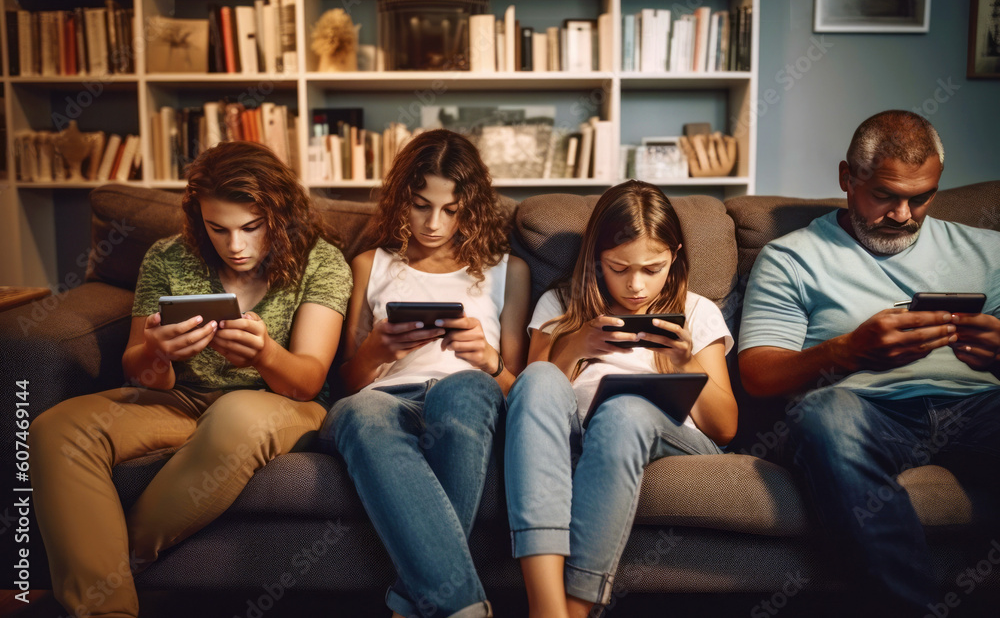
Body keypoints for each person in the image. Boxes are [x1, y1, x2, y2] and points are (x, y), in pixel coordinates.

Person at [30, 141, 352, 618]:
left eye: (251, 227)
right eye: (217, 228)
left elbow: (306, 380)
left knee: (235, 415)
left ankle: (122, 563)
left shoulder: (322, 262)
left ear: (280, 215)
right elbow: (139, 372)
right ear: (198, 216)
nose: (235, 246)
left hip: (278, 401)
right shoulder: (168, 258)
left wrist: (264, 353)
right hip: (181, 399)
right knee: (56, 428)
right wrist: (158, 352)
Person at [738, 110, 1000, 616]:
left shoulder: (989, 252)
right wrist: (849, 350)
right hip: (865, 412)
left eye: (920, 197)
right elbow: (759, 374)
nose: (903, 213)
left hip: (980, 406)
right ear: (847, 178)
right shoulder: (791, 258)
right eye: (885, 194)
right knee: (823, 414)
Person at [318, 129, 530, 618]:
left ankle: (414, 603)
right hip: (385, 398)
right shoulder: (370, 264)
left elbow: (520, 392)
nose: (433, 223)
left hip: (468, 394)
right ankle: (459, 608)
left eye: (451, 210)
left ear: (470, 208)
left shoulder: (506, 271)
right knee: (363, 413)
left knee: (465, 391)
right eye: (420, 205)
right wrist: (374, 351)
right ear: (400, 200)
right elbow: (342, 387)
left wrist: (487, 360)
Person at [504, 180, 737, 618]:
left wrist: (685, 363)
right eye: (619, 267)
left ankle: (571, 611)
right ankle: (546, 606)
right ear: (597, 258)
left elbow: (725, 428)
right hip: (576, 431)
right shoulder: (560, 305)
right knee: (537, 379)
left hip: (668, 434)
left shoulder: (698, 310)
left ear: (676, 255)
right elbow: (529, 400)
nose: (635, 286)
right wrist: (577, 345)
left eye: (653, 268)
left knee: (623, 409)